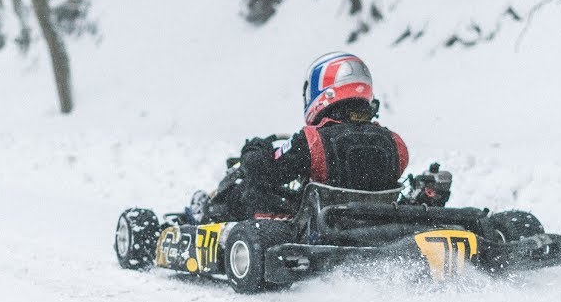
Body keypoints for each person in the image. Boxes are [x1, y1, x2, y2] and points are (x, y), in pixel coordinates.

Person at [187, 51, 449, 224]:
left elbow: (265, 171)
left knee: (246, 187)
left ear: (321, 92)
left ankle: (207, 216)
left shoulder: (312, 141)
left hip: (320, 226)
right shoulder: (395, 142)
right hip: (374, 222)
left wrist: (254, 149)